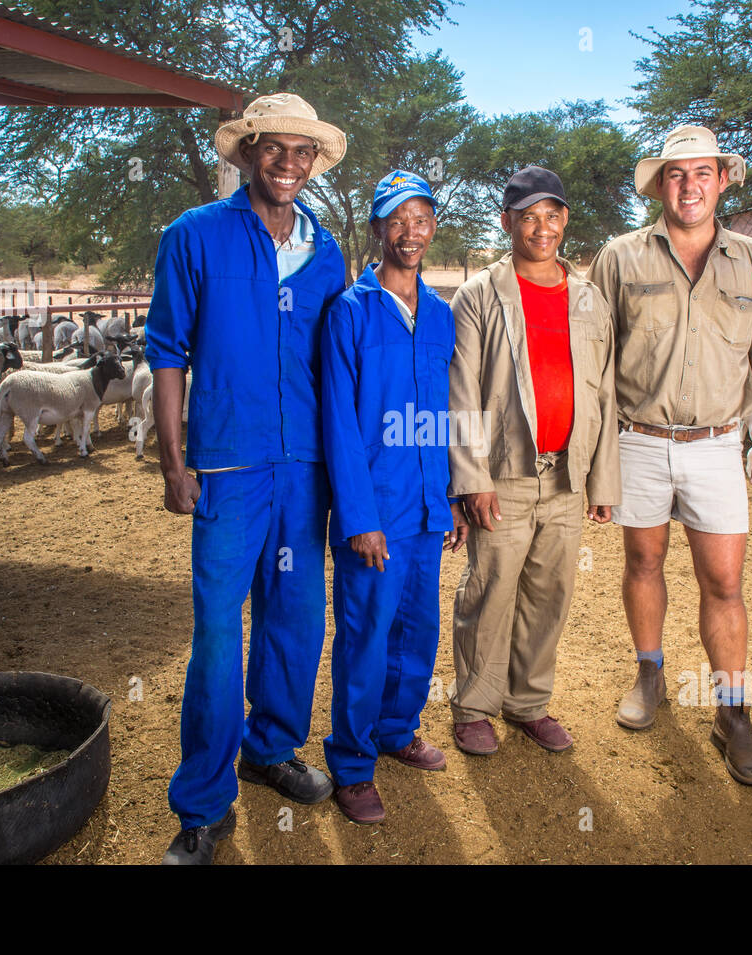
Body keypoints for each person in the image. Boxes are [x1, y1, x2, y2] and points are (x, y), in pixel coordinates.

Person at [145, 93, 348, 863]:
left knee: (295, 617)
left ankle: (271, 748)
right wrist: (174, 461)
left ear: (314, 162)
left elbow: (336, 363)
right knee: (215, 633)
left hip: (306, 469)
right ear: (244, 153)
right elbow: (168, 354)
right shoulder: (192, 237)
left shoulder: (327, 251)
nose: (288, 164)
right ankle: (202, 800)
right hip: (227, 467)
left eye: (303, 152)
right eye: (274, 149)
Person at [588, 125, 752, 785]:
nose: (689, 186)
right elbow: (594, 361)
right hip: (638, 438)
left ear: (722, 179)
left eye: (702, 173)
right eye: (676, 174)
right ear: (661, 183)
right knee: (643, 560)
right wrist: (598, 458)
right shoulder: (619, 258)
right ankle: (649, 673)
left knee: (724, 582)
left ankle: (732, 713)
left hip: (716, 444)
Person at [446, 166, 621, 756]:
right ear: (508, 223)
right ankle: (473, 705)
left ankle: (528, 703)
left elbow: (605, 392)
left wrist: (603, 479)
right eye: (528, 217)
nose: (541, 228)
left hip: (568, 473)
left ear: (565, 220)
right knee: (491, 589)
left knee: (551, 592)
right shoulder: (478, 297)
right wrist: (471, 480)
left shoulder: (590, 297)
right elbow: (462, 393)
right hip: (504, 475)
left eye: (551, 215)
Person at [319, 170, 467, 824]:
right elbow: (340, 426)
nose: (411, 231)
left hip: (427, 509)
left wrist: (451, 497)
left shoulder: (440, 316)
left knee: (418, 628)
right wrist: (359, 516)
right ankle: (351, 763)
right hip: (374, 514)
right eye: (397, 219)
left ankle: (396, 729)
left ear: (433, 226)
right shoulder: (349, 312)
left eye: (422, 218)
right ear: (378, 228)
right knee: (364, 635)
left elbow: (443, 413)